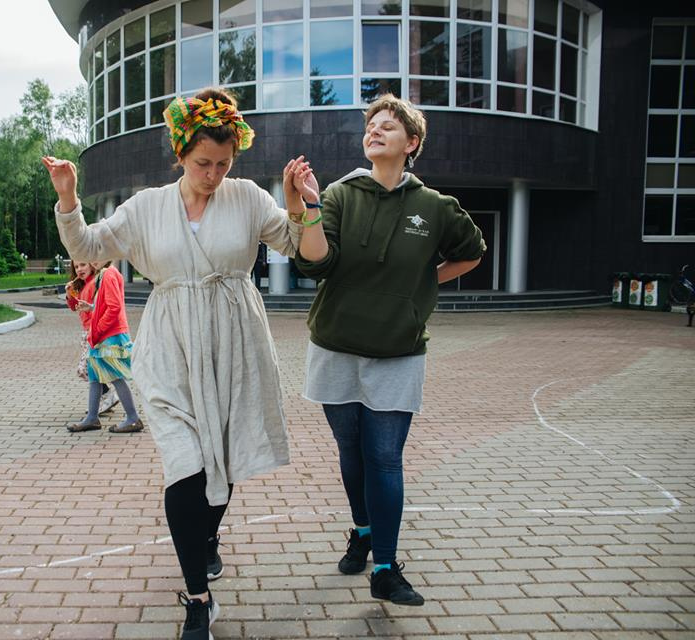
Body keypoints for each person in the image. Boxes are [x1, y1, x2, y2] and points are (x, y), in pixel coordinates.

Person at [43, 87, 326, 640]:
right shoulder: (147, 207)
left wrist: (301, 201)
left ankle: (208, 537)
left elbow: (302, 248)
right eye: (203, 163)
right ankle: (198, 597)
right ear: (180, 155)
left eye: (223, 163)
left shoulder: (246, 197)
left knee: (222, 457)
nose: (213, 174)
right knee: (185, 465)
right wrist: (69, 197)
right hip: (170, 347)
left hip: (235, 345)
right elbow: (87, 247)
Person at [293, 94, 485, 607]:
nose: (375, 131)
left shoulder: (435, 207)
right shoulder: (338, 193)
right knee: (351, 454)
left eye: (388, 127)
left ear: (411, 143)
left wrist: (423, 284)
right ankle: (360, 529)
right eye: (371, 125)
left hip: (399, 352)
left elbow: (472, 252)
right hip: (335, 347)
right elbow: (315, 265)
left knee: (384, 458)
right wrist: (309, 206)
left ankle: (384, 566)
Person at [65, 260, 144, 434]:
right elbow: (104, 305)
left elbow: (114, 307)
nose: (94, 259)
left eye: (96, 255)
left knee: (114, 375)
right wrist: (91, 307)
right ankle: (92, 417)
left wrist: (98, 329)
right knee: (94, 375)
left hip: (108, 334)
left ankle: (132, 418)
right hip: (100, 333)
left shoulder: (108, 274)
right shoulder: (104, 274)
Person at [65, 260, 119, 417]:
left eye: (83, 265)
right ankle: (106, 398)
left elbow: (100, 306)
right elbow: (75, 307)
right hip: (86, 331)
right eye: (76, 267)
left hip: (93, 330)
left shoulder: (96, 283)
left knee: (85, 369)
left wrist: (96, 329)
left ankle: (109, 396)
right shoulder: (81, 285)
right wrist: (70, 294)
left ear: (91, 266)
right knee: (93, 369)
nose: (79, 269)